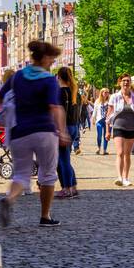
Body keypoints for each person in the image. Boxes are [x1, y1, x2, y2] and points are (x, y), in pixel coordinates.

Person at [0, 40, 68, 227]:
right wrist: (62, 131)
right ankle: (45, 216)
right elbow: (54, 107)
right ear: (44, 58)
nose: (52, 63)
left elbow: (0, 97)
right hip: (44, 131)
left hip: (19, 131)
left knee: (21, 174)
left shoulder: (18, 76)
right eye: (52, 59)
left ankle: (9, 199)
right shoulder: (48, 80)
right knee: (48, 175)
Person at [106, 74, 134, 187]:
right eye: (123, 81)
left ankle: (126, 178)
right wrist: (107, 131)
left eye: (128, 81)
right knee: (120, 152)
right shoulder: (114, 97)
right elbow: (109, 115)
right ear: (120, 83)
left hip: (131, 127)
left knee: (127, 154)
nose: (126, 83)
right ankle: (119, 177)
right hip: (118, 126)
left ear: (130, 83)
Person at [55, 66, 80, 199]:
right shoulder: (75, 91)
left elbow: (60, 112)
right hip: (74, 127)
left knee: (63, 160)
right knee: (66, 159)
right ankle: (73, 187)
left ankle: (67, 189)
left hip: (64, 127)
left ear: (58, 76)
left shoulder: (60, 92)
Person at [93, 87, 110, 154]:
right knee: (99, 135)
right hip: (99, 120)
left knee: (106, 135)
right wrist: (93, 119)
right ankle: (99, 148)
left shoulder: (109, 101)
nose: (106, 93)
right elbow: (95, 110)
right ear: (102, 93)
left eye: (107, 92)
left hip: (107, 121)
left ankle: (104, 150)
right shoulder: (97, 101)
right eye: (105, 92)